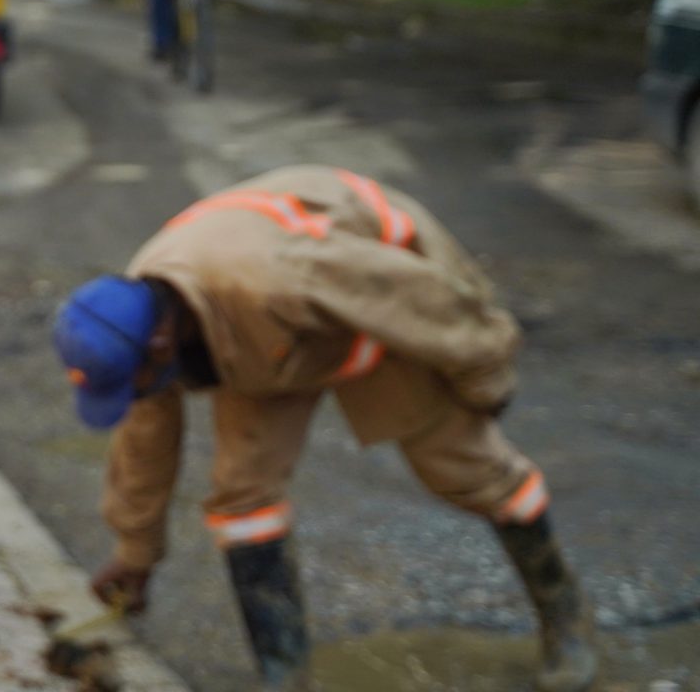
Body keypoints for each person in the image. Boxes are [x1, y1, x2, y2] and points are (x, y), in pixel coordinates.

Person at [52, 166, 595, 692]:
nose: (135, 395)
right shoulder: (138, 314)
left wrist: (484, 377)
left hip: (382, 302)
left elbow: (419, 300)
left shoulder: (280, 274)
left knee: (465, 467)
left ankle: (565, 617)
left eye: (133, 384)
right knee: (242, 497)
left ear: (161, 345)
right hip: (264, 344)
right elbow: (147, 437)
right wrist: (135, 552)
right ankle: (283, 677)